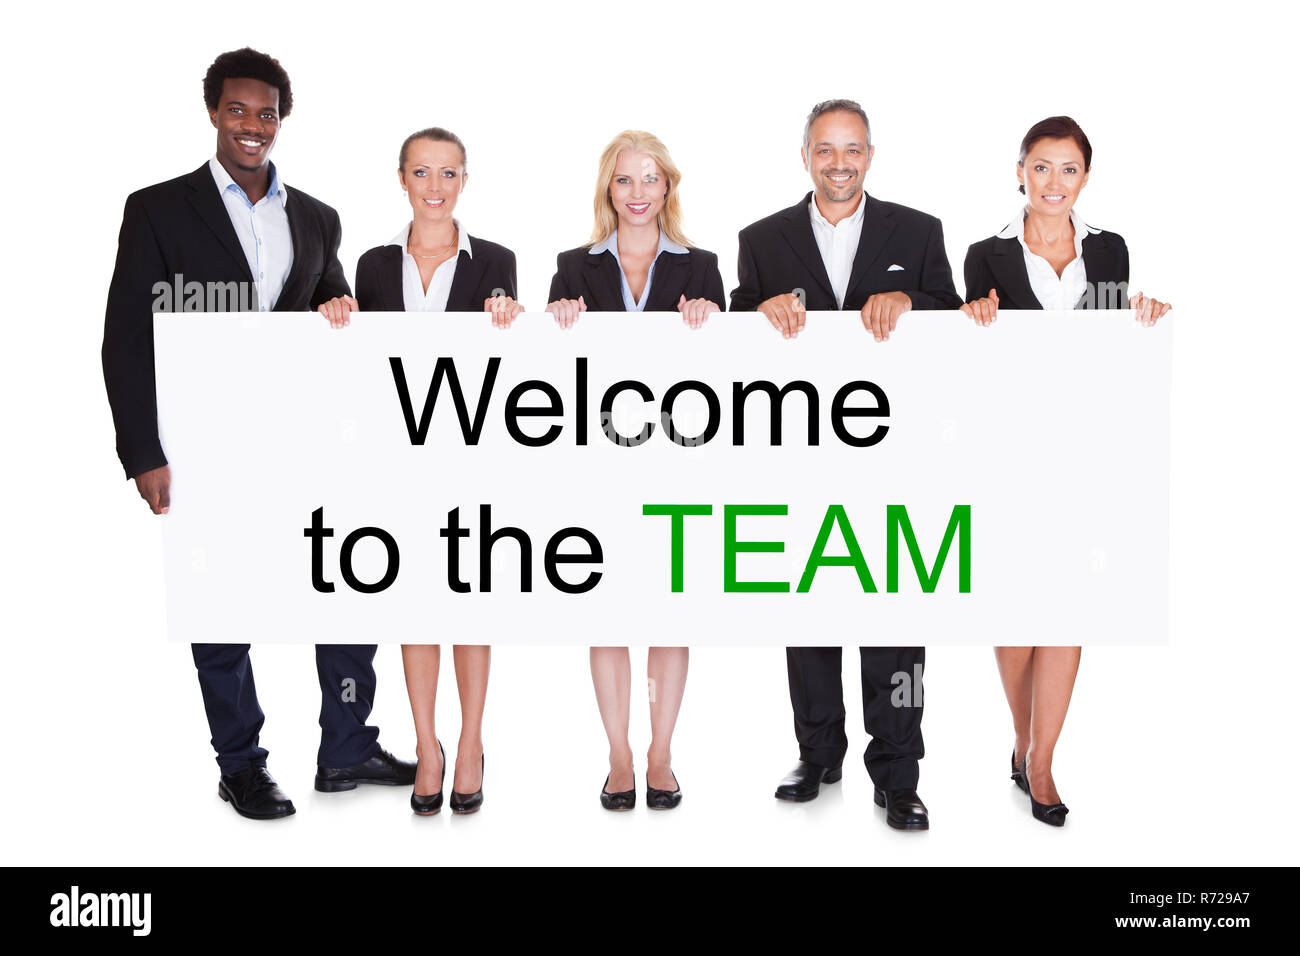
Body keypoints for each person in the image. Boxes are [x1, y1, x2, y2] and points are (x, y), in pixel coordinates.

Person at [101, 48, 414, 820]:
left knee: (344, 580)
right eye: (237, 110)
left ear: (282, 120)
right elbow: (124, 337)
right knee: (222, 599)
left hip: (302, 438)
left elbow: (328, 300)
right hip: (205, 442)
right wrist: (143, 450)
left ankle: (346, 744)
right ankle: (240, 763)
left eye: (266, 113)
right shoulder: (157, 209)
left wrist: (339, 305)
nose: (252, 126)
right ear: (213, 112)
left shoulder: (314, 216)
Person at [731, 98, 963, 830]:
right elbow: (733, 327)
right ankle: (818, 751)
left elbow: (957, 317)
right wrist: (757, 311)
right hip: (798, 453)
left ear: (870, 155)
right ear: (805, 156)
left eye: (852, 150)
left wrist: (911, 300)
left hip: (895, 458)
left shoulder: (919, 231)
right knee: (807, 608)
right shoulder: (761, 238)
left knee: (896, 617)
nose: (839, 163)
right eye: (825, 150)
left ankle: (898, 773)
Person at [960, 115, 1171, 826]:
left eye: (1069, 169)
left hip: (1085, 450)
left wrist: (1142, 313)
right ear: (1019, 171)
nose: (1054, 182)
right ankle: (1020, 740)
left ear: (1086, 177)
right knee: (1016, 612)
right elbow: (973, 352)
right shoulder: (984, 255)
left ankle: (1043, 762)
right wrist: (974, 315)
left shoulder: (1110, 251)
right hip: (1007, 451)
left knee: (1067, 606)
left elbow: (1111, 341)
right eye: (1041, 167)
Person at [317, 127, 522, 814]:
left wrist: (509, 318)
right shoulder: (372, 266)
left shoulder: (496, 260)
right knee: (415, 604)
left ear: (466, 181)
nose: (435, 188)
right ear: (401, 178)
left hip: (470, 455)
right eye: (422, 173)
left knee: (468, 599)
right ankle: (426, 745)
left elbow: (513, 370)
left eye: (449, 174)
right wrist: (336, 312)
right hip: (395, 459)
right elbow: (353, 362)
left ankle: (469, 743)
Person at [547, 130, 725, 809]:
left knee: (670, 611)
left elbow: (728, 378)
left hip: (677, 463)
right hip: (599, 463)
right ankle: (619, 754)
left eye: (651, 179)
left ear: (668, 187)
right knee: (609, 614)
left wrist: (712, 319)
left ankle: (661, 752)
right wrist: (557, 318)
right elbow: (552, 379)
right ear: (608, 190)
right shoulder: (572, 266)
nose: (639, 193)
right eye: (625, 181)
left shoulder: (702, 267)